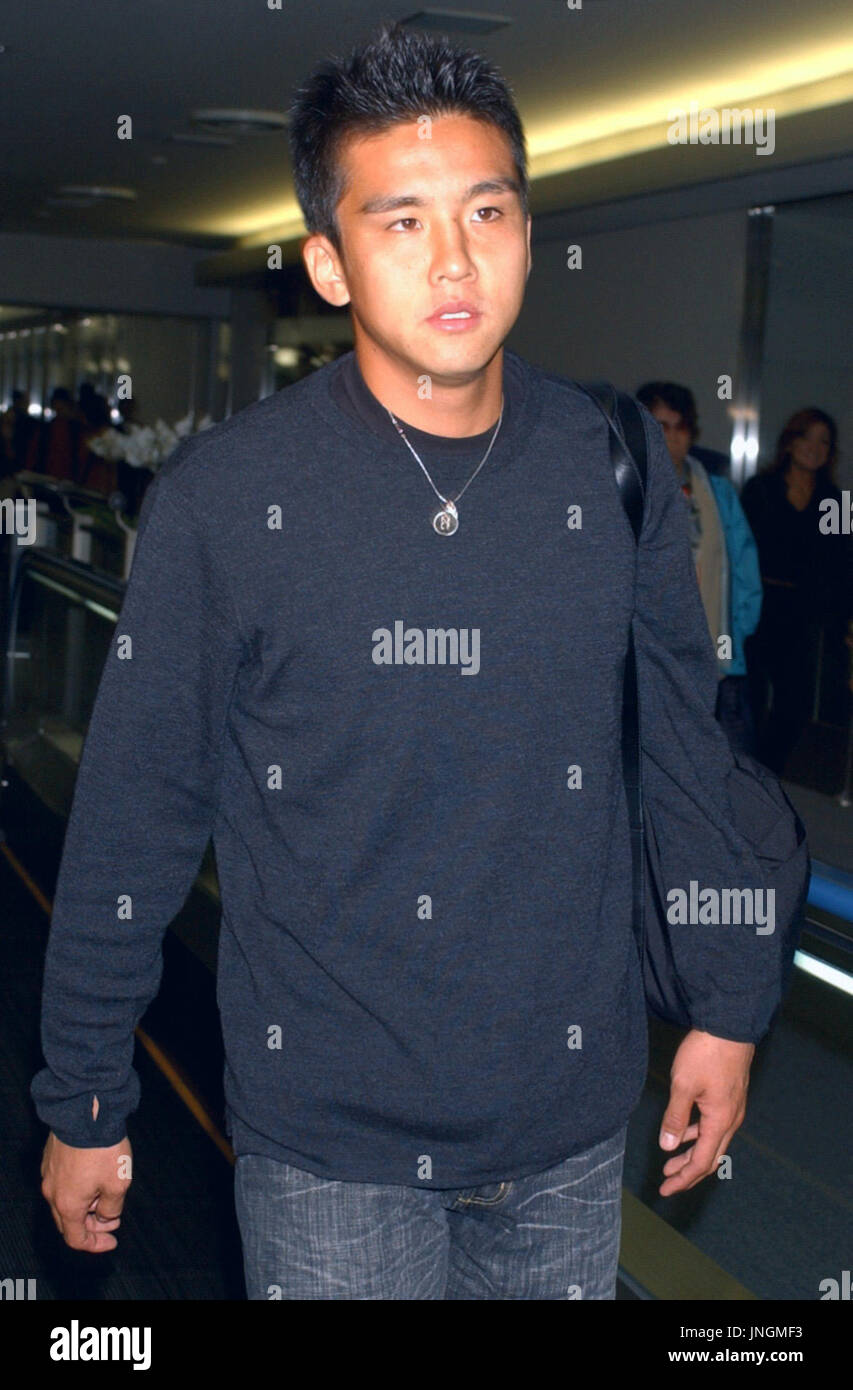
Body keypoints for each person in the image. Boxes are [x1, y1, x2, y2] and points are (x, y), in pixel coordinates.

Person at [34, 23, 789, 1301]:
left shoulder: (611, 470)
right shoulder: (229, 501)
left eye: (486, 210)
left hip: (564, 1120)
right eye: (401, 222)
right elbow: (138, 807)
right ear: (327, 263)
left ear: (526, 232)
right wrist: (89, 1091)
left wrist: (725, 1008)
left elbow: (680, 747)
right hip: (331, 1146)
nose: (455, 259)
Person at [636, 381, 763, 757]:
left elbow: (744, 569)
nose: (671, 437)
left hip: (705, 642)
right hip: (642, 644)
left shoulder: (718, 492)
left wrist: (736, 633)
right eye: (659, 426)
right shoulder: (621, 485)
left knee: (697, 749)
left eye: (680, 426)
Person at [741, 408, 853, 776]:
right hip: (757, 608)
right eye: (808, 437)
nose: (815, 447)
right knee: (749, 703)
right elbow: (739, 556)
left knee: (795, 705)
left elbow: (844, 569)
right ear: (790, 441)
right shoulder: (760, 489)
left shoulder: (837, 502)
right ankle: (744, 774)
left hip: (804, 614)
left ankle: (766, 775)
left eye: (824, 441)